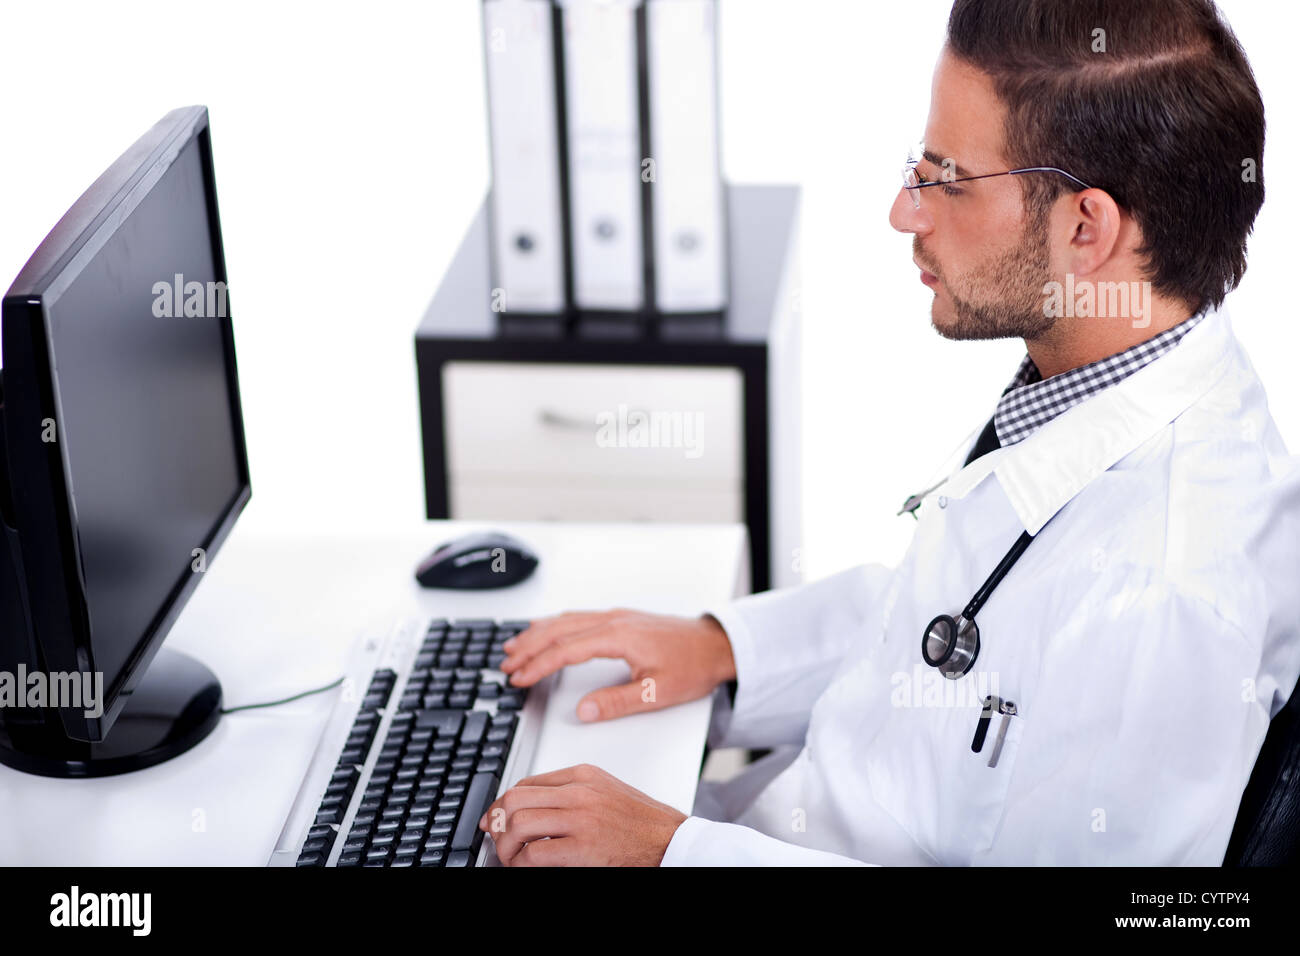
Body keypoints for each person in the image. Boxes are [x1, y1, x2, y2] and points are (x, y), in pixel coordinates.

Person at [477, 0, 1300, 865]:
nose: (904, 212)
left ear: (1086, 229)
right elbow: (953, 635)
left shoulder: (1165, 596)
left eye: (948, 177)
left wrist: (671, 855)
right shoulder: (1102, 374)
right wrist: (725, 651)